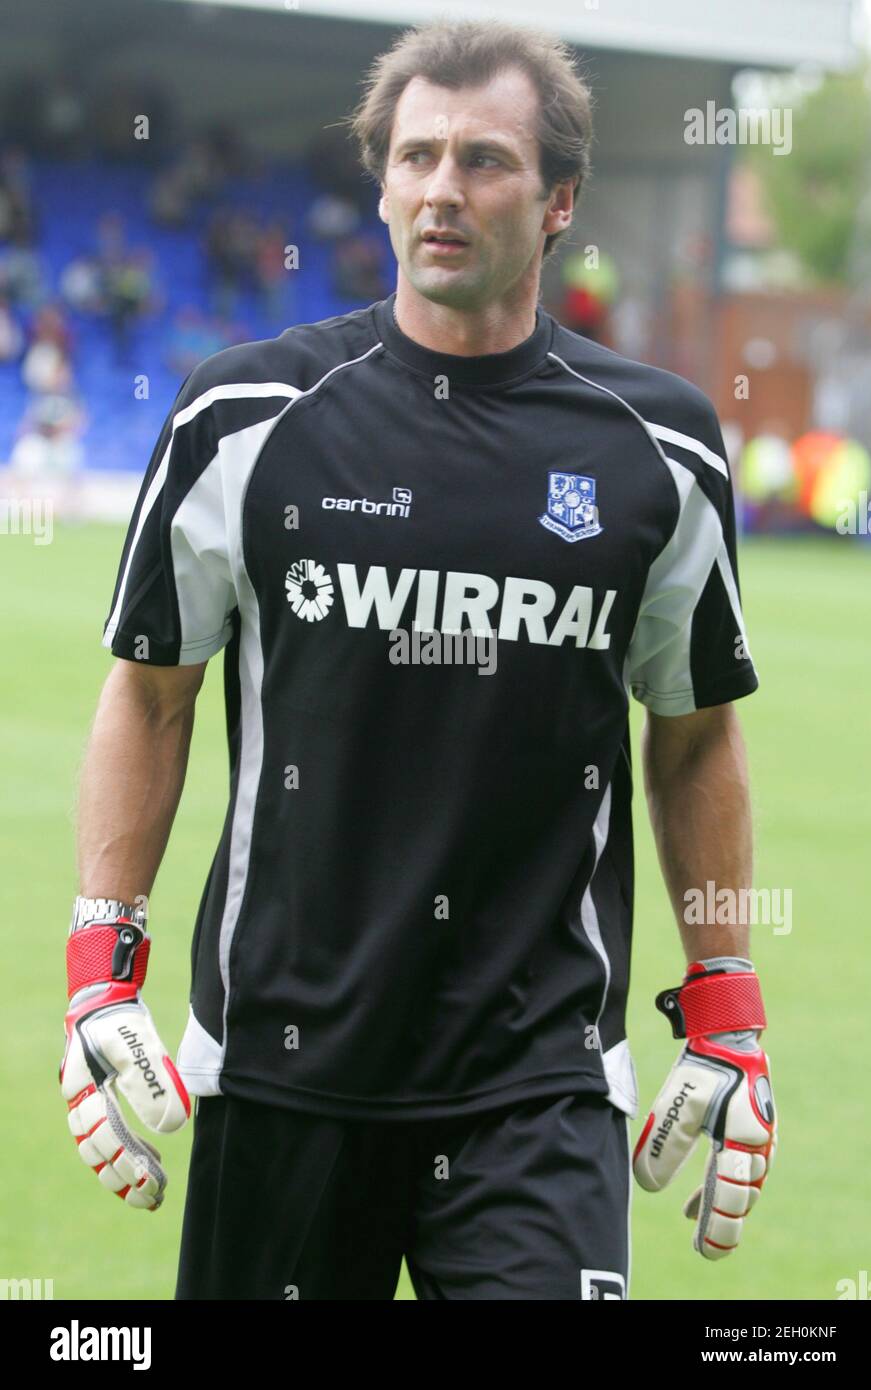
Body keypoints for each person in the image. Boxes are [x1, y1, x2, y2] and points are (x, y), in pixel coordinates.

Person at [62, 17, 776, 1301]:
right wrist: (97, 957)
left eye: (485, 161)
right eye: (417, 157)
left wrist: (723, 988)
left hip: (538, 1079)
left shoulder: (658, 447)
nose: (443, 188)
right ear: (381, 179)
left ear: (558, 201)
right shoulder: (243, 417)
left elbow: (693, 732)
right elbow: (151, 695)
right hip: (281, 1058)